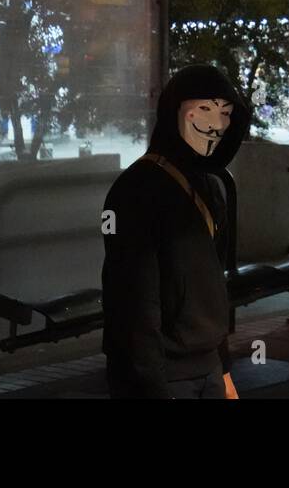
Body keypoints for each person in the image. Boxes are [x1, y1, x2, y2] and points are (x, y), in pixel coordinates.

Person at [102, 64, 250, 399]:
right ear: (174, 112)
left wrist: (223, 368)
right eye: (205, 110)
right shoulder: (137, 188)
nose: (217, 124)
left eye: (226, 113)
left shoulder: (209, 185)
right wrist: (149, 385)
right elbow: (134, 302)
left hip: (206, 368)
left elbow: (212, 284)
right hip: (163, 377)